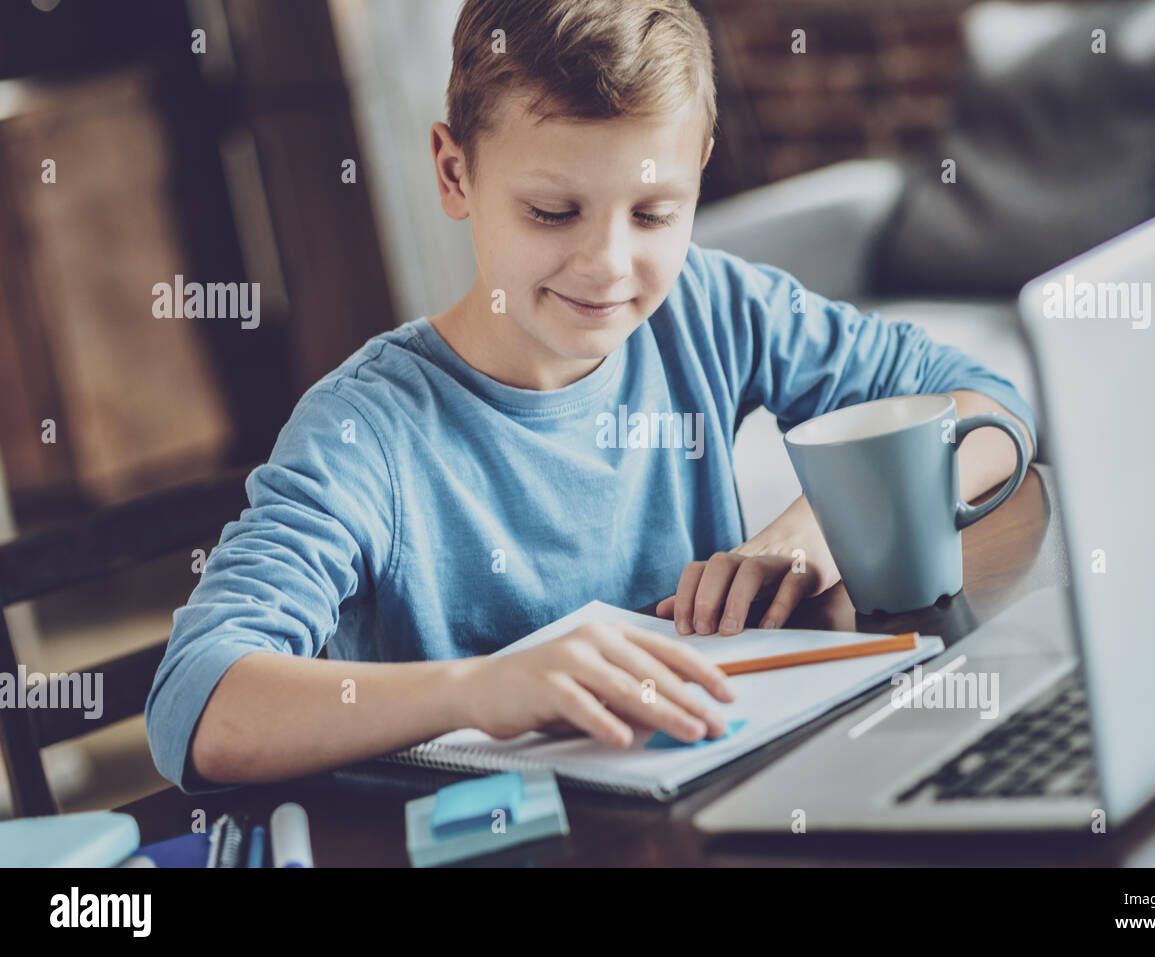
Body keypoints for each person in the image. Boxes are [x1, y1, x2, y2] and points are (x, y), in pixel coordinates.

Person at [146, 0, 1036, 792]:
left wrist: (821, 529)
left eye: (653, 213)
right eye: (552, 211)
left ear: (700, 174)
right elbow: (198, 702)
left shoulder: (708, 308)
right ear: (455, 174)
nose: (609, 266)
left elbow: (989, 406)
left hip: (699, 805)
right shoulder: (365, 432)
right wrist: (487, 687)